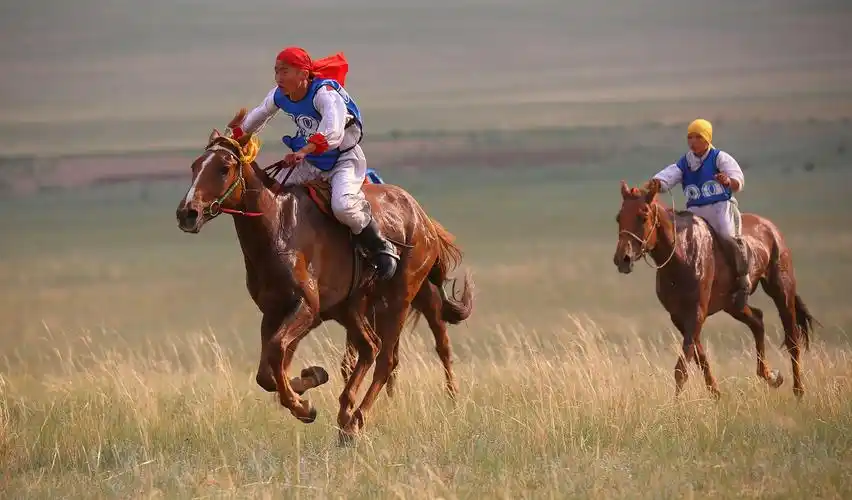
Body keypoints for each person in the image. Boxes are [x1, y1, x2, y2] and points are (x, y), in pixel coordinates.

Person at [229, 46, 399, 280]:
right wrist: (234, 138)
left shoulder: (325, 94)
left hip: (343, 159)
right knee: (271, 193)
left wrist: (303, 151)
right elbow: (257, 117)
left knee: (344, 207)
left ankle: (382, 248)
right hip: (311, 160)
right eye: (276, 71)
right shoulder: (279, 95)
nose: (278, 78)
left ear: (303, 74)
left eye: (285, 71)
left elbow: (333, 132)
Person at [644, 118, 751, 309]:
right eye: (690, 137)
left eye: (698, 137)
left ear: (707, 139)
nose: (693, 142)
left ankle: (743, 280)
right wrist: (657, 183)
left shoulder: (719, 158)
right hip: (695, 211)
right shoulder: (685, 162)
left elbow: (738, 180)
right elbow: (670, 175)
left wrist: (727, 181)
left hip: (719, 208)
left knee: (728, 237)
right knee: (685, 242)